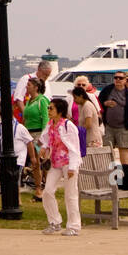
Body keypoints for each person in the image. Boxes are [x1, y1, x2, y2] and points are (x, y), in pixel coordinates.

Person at [39, 98, 82, 236]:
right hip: (55, 163)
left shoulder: (68, 126)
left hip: (68, 162)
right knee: (47, 191)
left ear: (60, 110)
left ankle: (74, 226)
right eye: (48, 108)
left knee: (70, 194)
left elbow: (75, 148)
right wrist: (44, 148)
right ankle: (54, 222)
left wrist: (73, 167)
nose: (49, 111)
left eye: (51, 108)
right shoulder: (50, 124)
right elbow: (46, 139)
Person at [98, 70, 128, 165]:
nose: (118, 80)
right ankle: (107, 171)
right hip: (108, 126)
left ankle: (125, 171)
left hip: (124, 126)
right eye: (115, 78)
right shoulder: (107, 90)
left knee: (124, 149)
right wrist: (105, 103)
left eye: (120, 78)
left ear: (125, 80)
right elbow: (98, 103)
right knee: (106, 149)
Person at [22, 77, 49, 199]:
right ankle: (40, 185)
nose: (26, 87)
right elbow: (25, 118)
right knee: (33, 162)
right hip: (28, 133)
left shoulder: (41, 100)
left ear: (35, 87)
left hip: (38, 133)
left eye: (28, 85)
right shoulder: (29, 101)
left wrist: (43, 139)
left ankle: (40, 188)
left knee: (37, 162)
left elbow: (45, 119)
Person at [70, 85, 102, 153]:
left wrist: (76, 131)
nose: (74, 100)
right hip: (86, 139)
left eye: (75, 98)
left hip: (92, 140)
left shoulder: (87, 105)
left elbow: (88, 124)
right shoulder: (80, 106)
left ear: (81, 96)